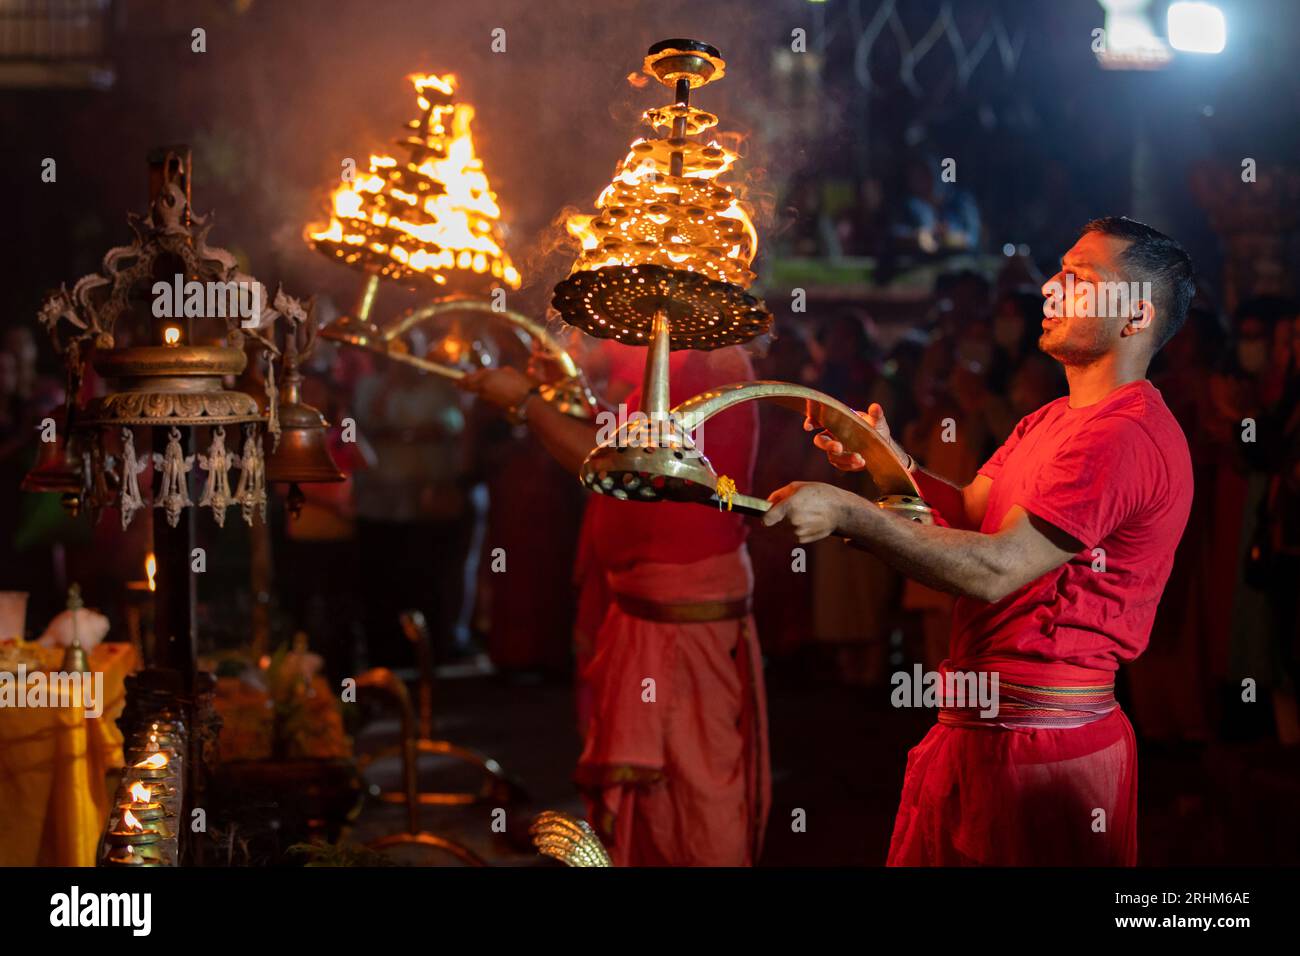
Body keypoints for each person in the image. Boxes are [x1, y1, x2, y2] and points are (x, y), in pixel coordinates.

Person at [764, 217, 1196, 865]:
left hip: (1046, 749)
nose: (1050, 288)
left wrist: (854, 517)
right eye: (1059, 272)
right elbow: (972, 516)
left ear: (1135, 316)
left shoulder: (1123, 434)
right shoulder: (1051, 420)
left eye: (1079, 279)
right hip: (983, 733)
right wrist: (888, 464)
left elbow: (998, 568)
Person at [460, 341, 769, 866]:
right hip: (645, 601)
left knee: (696, 783)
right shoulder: (672, 361)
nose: (587, 337)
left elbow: (623, 462)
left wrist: (528, 404)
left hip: (682, 612)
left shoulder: (711, 363)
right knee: (658, 789)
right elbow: (621, 434)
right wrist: (561, 390)